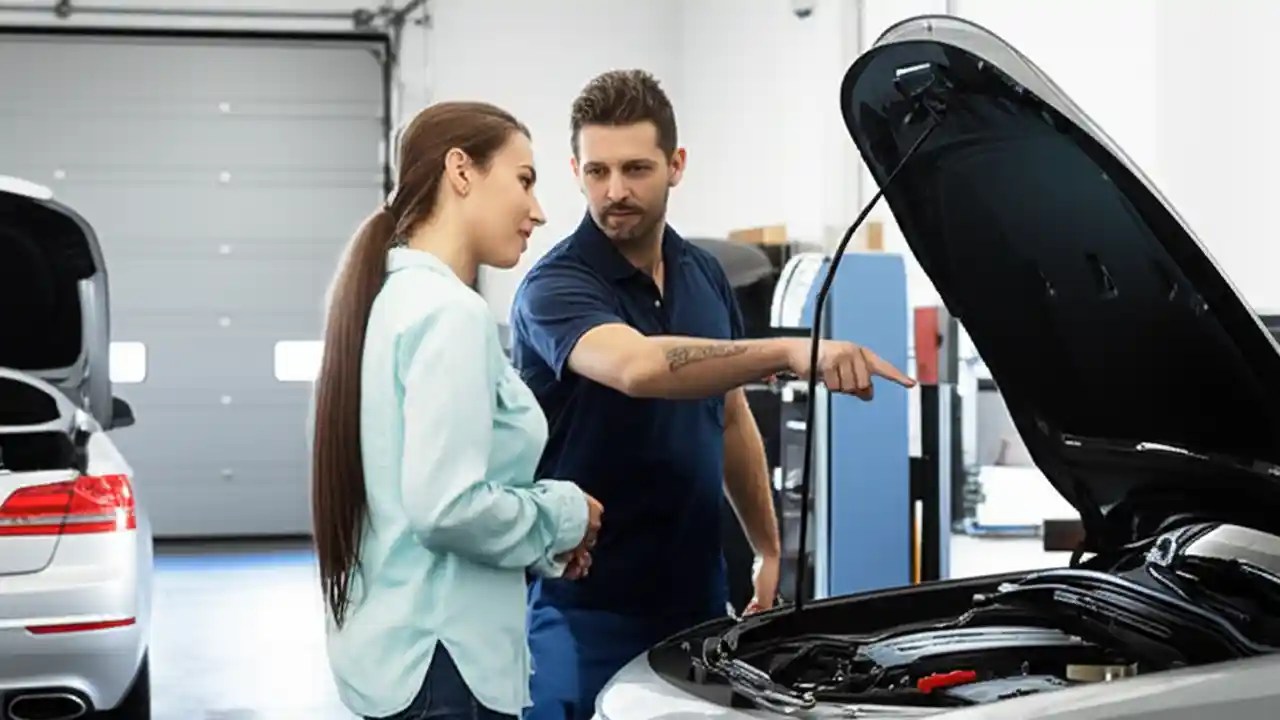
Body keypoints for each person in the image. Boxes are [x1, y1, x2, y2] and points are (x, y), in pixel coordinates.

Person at [508, 70, 916, 720]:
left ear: (676, 165)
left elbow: (728, 418)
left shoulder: (704, 275)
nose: (615, 191)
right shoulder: (555, 287)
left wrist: (768, 545)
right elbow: (641, 367)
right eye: (597, 171)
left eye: (636, 168)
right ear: (575, 170)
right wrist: (789, 352)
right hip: (585, 607)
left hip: (697, 602)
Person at [309, 100, 604, 720]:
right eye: (524, 179)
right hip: (446, 664)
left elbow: (418, 495)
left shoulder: (384, 300)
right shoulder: (451, 313)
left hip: (398, 654)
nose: (539, 210)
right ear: (461, 171)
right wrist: (563, 514)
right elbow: (445, 508)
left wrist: (540, 543)